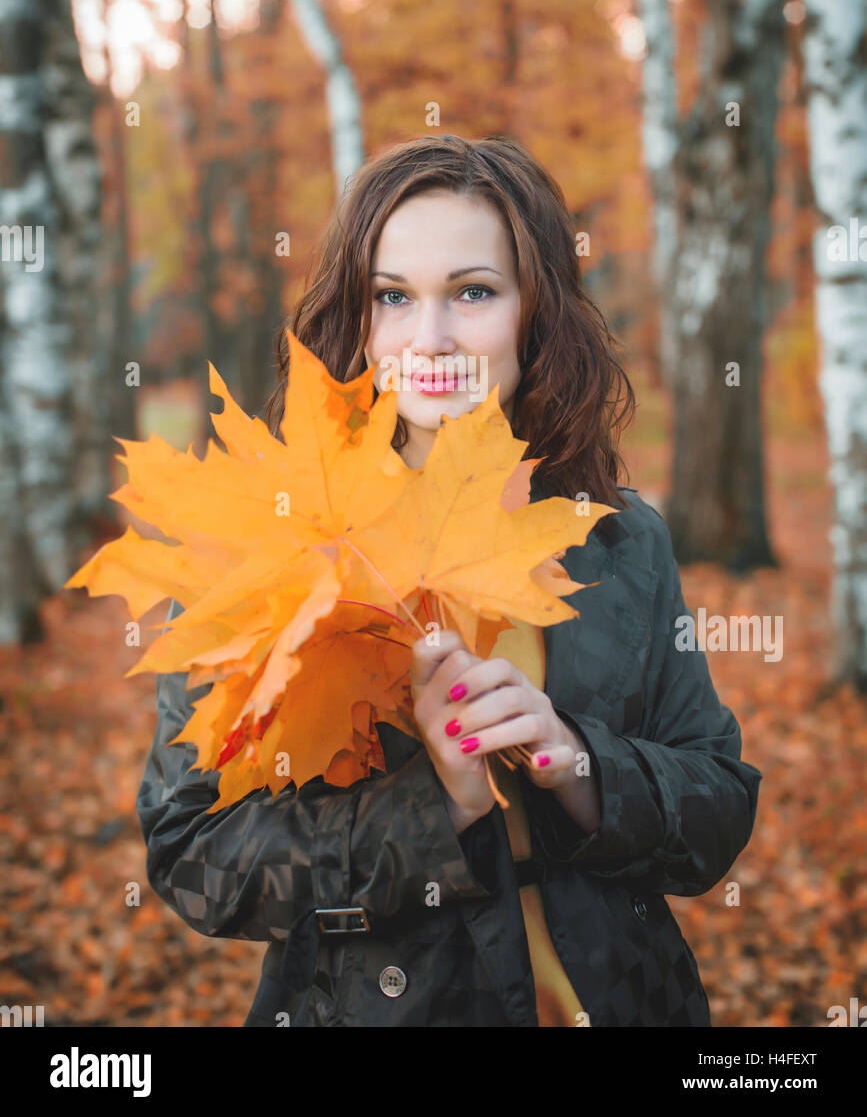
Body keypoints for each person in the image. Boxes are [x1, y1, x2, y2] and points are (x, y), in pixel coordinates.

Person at [136, 132, 762, 1026]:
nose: (429, 338)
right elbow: (192, 854)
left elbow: (717, 806)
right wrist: (440, 805)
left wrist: (576, 763)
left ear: (534, 312)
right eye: (392, 296)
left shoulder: (616, 541)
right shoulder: (258, 546)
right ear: (354, 318)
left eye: (473, 292)